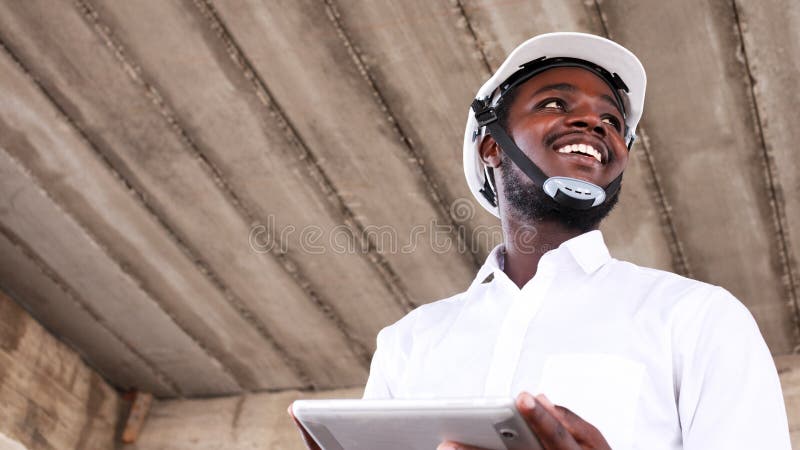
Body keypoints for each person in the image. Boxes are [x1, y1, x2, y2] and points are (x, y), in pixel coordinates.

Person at [291, 32, 791, 449]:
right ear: (491, 146)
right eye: (555, 103)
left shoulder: (698, 317)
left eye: (613, 121)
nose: (595, 122)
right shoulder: (409, 343)